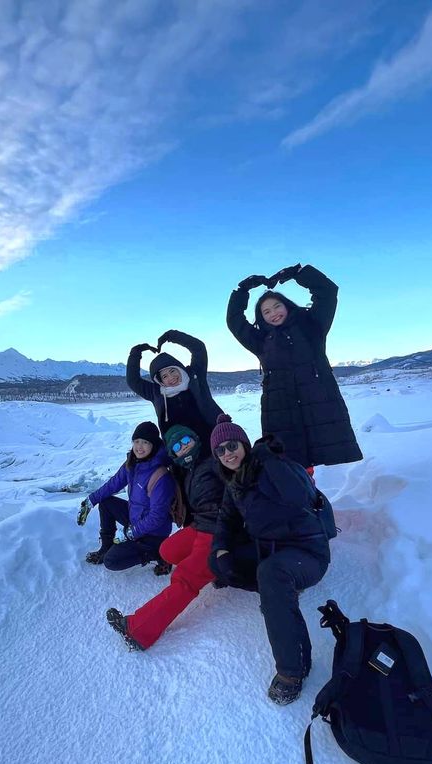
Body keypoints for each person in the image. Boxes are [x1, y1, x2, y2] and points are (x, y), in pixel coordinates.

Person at [207, 414, 330, 705]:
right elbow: (226, 520)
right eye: (220, 450)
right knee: (219, 564)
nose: (228, 453)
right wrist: (221, 549)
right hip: (274, 552)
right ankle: (279, 598)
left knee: (272, 573)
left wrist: (272, 464)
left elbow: (301, 495)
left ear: (245, 444)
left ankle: (293, 670)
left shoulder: (269, 466)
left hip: (307, 552)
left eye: (232, 445)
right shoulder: (236, 481)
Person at [226, 264, 362, 470]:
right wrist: (242, 291)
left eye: (277, 306)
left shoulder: (312, 326)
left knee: (317, 451)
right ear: (262, 318)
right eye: (266, 312)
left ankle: (312, 499)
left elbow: (327, 292)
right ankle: (306, 496)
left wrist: (299, 273)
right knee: (291, 463)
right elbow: (235, 321)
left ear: (287, 306)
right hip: (280, 410)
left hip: (318, 403)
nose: (273, 313)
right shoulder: (260, 340)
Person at [105, 424, 225, 650]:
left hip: (218, 532)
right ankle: (213, 570)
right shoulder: (186, 469)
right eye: (177, 446)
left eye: (186, 440)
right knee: (168, 550)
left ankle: (138, 630)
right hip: (201, 525)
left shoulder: (214, 463)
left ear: (196, 440)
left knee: (185, 577)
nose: (184, 447)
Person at [77, 421, 175, 574]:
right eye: (136, 441)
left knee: (112, 561)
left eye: (145, 442)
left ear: (154, 445)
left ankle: (157, 553)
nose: (139, 447)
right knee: (106, 503)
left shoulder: (160, 475)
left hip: (153, 532)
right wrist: (90, 501)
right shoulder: (133, 463)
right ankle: (106, 547)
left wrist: (131, 532)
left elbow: (157, 517)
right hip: (135, 518)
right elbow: (113, 484)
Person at [126, 329, 224, 445]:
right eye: (165, 376)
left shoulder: (194, 377)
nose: (171, 378)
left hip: (214, 443)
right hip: (180, 452)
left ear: (179, 369)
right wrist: (136, 352)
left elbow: (198, 348)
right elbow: (133, 381)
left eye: (173, 371)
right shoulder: (156, 392)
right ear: (160, 380)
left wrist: (172, 336)